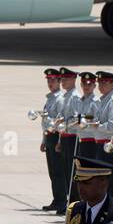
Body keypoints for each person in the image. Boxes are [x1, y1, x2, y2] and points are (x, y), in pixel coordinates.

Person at [55, 68, 83, 215]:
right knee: (67, 172)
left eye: (65, 79)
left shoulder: (76, 97)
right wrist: (60, 139)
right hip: (65, 136)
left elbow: (77, 119)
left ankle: (74, 203)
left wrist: (64, 123)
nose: (63, 82)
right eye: (62, 79)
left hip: (73, 137)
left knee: (73, 173)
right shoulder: (66, 96)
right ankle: (70, 201)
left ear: (73, 80)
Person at [39, 68, 66, 212]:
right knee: (52, 171)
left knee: (58, 170)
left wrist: (60, 141)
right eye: (48, 80)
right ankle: (57, 199)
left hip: (56, 136)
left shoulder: (60, 99)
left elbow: (60, 122)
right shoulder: (50, 98)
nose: (50, 83)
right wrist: (44, 139)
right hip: (49, 136)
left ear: (59, 82)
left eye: (53, 80)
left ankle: (62, 200)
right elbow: (45, 121)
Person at [94, 72, 113, 201]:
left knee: (111, 183)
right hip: (101, 144)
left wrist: (97, 126)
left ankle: (112, 211)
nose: (101, 85)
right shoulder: (104, 99)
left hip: (108, 147)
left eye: (104, 82)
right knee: (102, 182)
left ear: (112, 84)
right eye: (100, 82)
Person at [76, 72, 100, 161]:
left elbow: (96, 122)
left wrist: (84, 125)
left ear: (94, 86)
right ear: (81, 85)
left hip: (91, 141)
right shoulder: (80, 101)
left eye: (89, 84)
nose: (86, 86)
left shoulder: (96, 102)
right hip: (81, 140)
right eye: (84, 84)